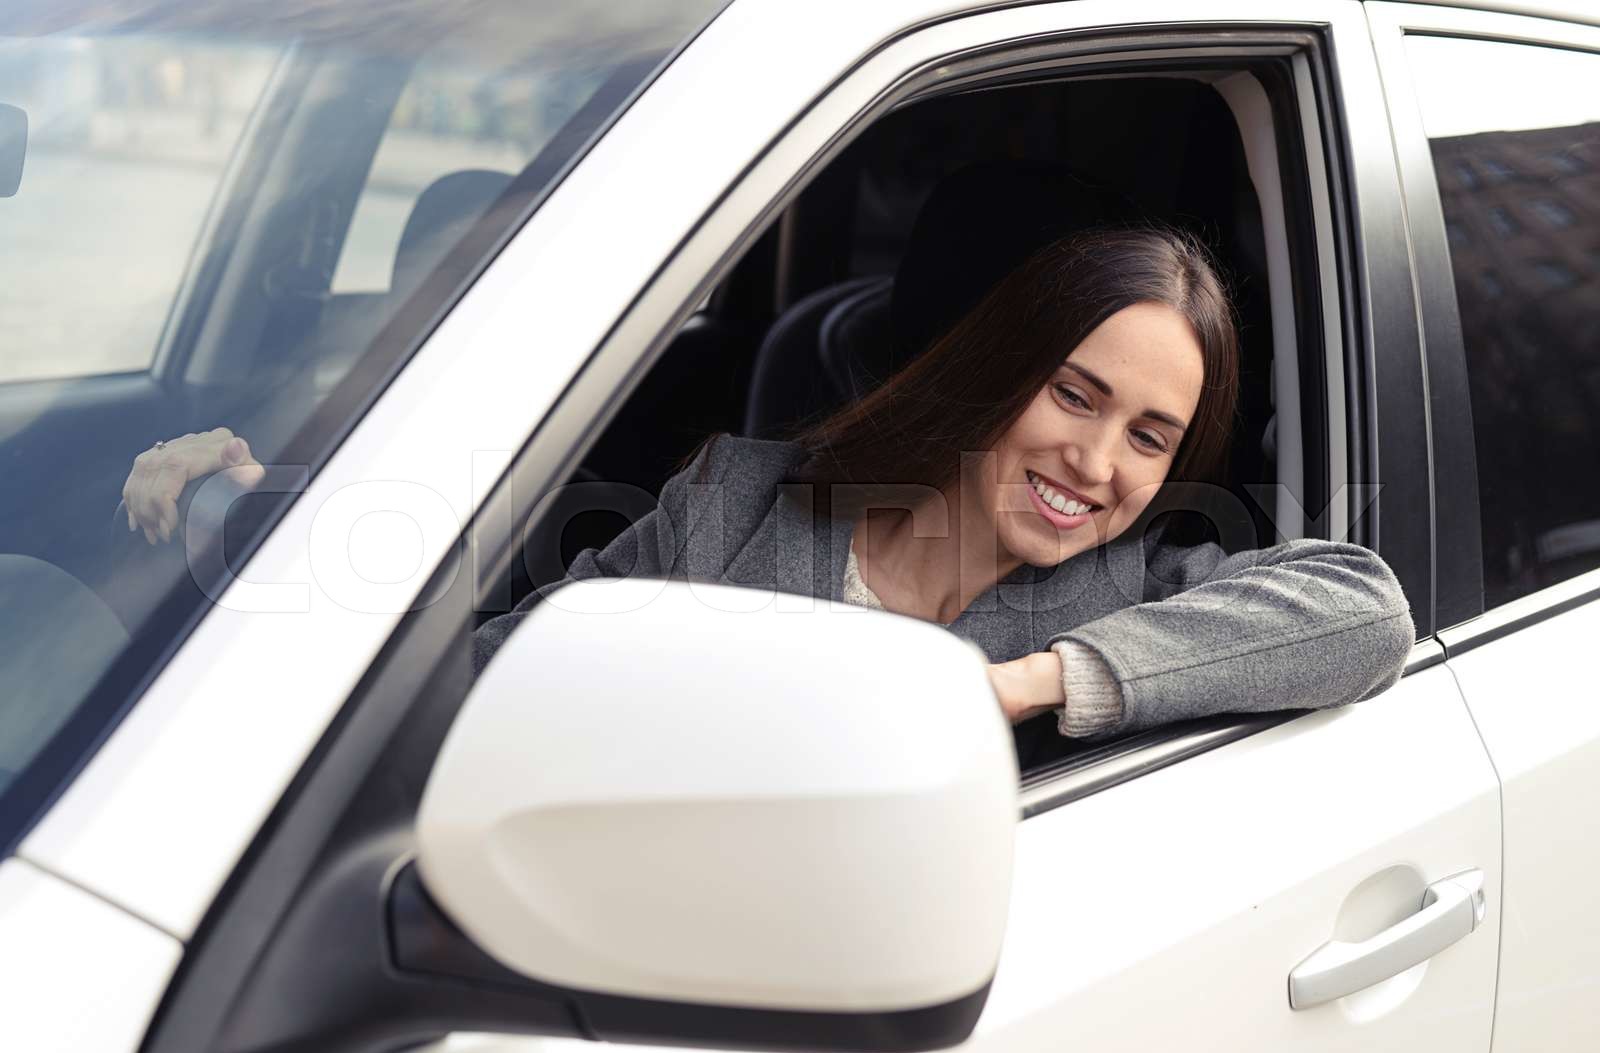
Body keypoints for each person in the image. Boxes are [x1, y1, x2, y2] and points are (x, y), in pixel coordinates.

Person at [124, 226, 1415, 741]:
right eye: (1075, 394)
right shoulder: (738, 503)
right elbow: (469, 683)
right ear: (996, 370)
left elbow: (1362, 608)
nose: (1097, 463)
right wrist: (251, 513)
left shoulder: (1133, 587)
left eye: (1151, 435)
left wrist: (1013, 685)